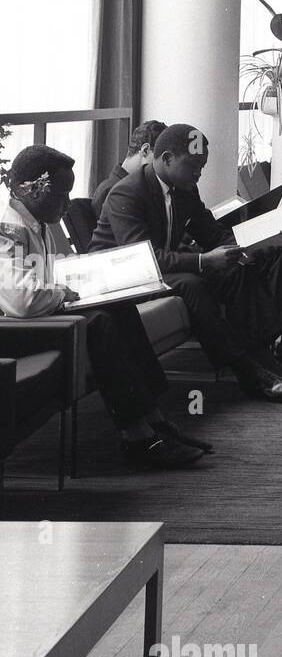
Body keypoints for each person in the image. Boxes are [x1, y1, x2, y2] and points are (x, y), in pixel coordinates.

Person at [0, 145, 209, 469]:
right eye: (62, 194)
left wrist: (71, 286)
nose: (68, 204)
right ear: (35, 190)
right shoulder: (7, 227)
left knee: (119, 306)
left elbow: (39, 279)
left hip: (31, 318)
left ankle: (153, 419)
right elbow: (21, 301)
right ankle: (137, 436)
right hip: (14, 329)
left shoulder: (32, 220)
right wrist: (61, 294)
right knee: (98, 324)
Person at [90, 123, 282, 402]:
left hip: (155, 269)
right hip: (121, 274)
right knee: (193, 284)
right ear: (166, 158)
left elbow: (212, 234)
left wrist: (248, 244)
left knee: (236, 271)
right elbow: (145, 258)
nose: (199, 173)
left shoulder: (184, 190)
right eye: (193, 165)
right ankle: (248, 372)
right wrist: (204, 261)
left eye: (202, 166)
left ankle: (267, 363)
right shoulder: (126, 193)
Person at [91, 119, 166, 217]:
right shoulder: (111, 190)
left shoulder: (134, 187)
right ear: (145, 150)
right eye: (161, 159)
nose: (162, 168)